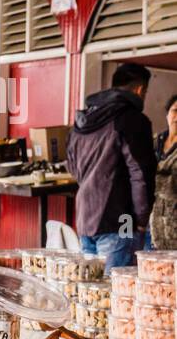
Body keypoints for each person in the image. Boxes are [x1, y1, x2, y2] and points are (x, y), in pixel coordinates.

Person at [67, 62, 157, 270]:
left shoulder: (83, 120)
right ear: (140, 89)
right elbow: (141, 173)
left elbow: (72, 167)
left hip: (85, 219)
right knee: (116, 291)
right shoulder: (132, 119)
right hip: (122, 221)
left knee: (92, 294)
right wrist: (141, 220)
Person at [148, 94, 177, 249]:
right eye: (175, 111)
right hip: (141, 225)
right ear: (167, 115)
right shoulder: (152, 142)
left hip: (170, 231)